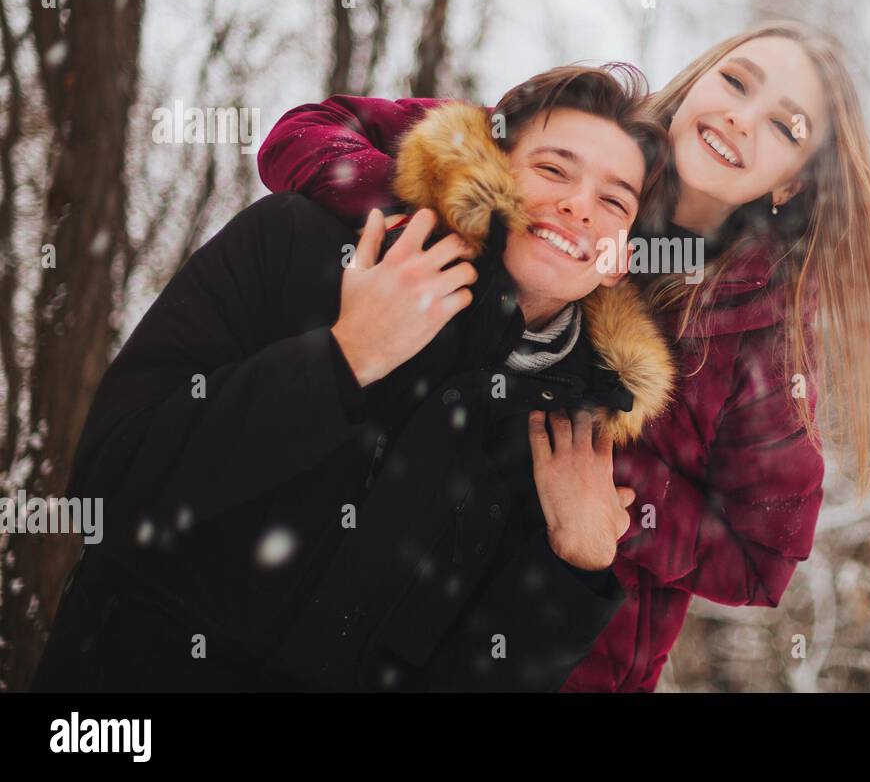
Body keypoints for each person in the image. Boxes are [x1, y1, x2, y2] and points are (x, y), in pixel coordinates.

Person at [257, 21, 870, 692]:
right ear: (699, 79)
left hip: (557, 659)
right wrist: (443, 215)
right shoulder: (577, 150)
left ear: (790, 184)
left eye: (786, 127)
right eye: (735, 82)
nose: (741, 118)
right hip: (372, 586)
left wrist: (614, 496)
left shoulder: (766, 330)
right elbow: (306, 132)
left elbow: (765, 558)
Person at [32, 64, 675, 692]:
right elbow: (110, 483)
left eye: (613, 200)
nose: (577, 206)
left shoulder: (572, 431)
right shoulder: (292, 243)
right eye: (553, 169)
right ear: (491, 173)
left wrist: (575, 568)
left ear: (621, 261)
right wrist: (342, 361)